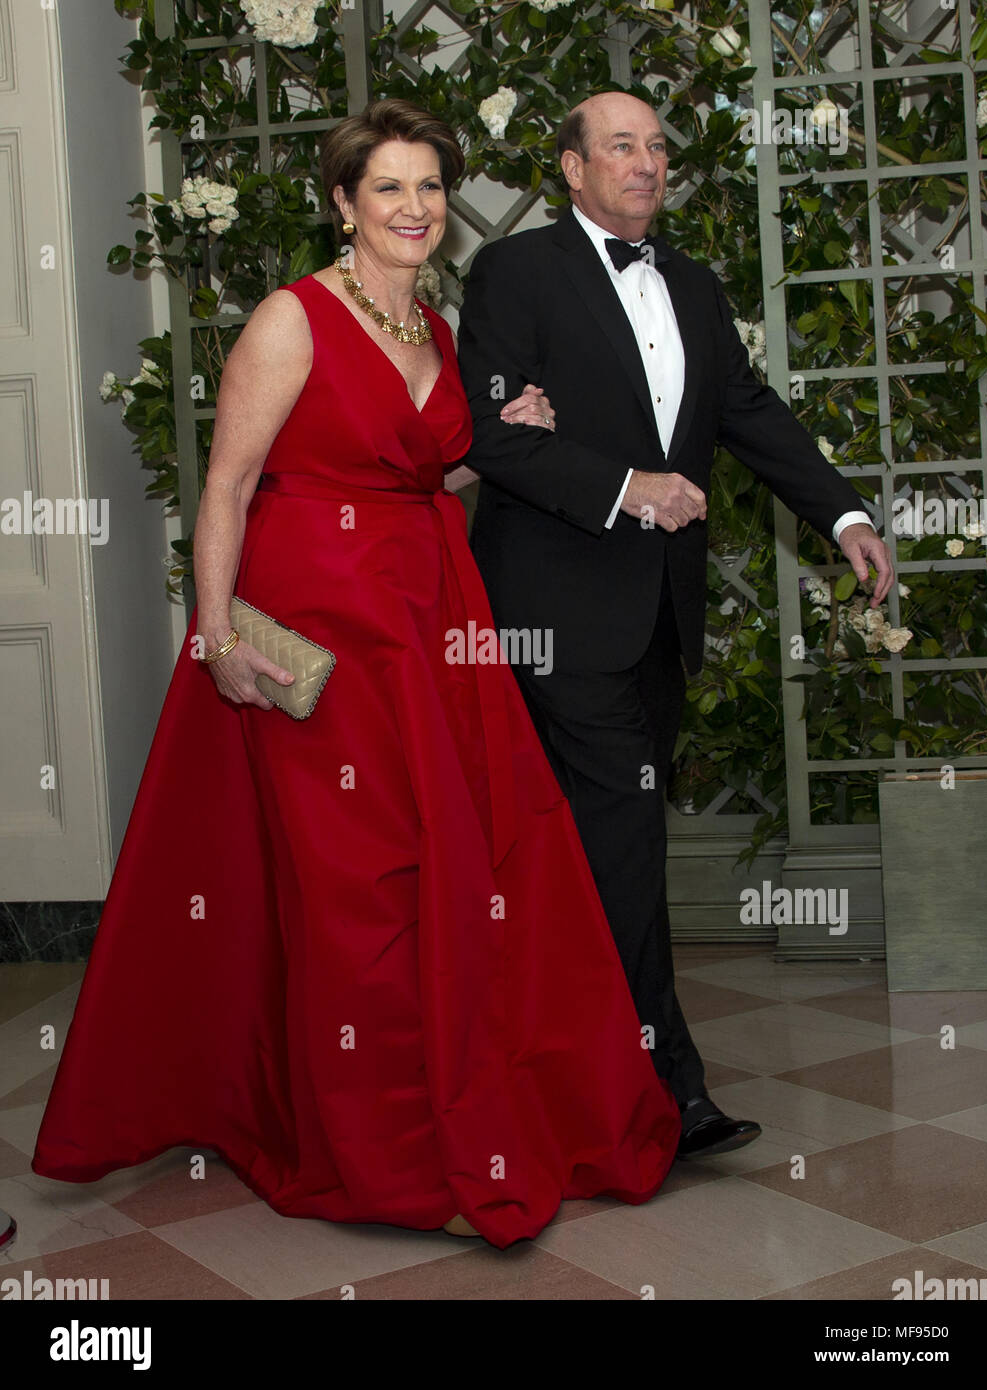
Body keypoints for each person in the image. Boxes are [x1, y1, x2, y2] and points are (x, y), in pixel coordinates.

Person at [31, 99, 681, 1250]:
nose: (415, 208)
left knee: (456, 875)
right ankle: (372, 1150)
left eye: (431, 187)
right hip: (321, 641)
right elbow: (227, 486)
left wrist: (497, 433)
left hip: (428, 632)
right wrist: (222, 636)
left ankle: (456, 1119)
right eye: (388, 187)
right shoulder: (293, 319)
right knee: (358, 894)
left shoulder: (432, 329)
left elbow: (406, 473)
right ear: (343, 204)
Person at [458, 91, 895, 1159]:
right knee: (624, 843)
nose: (646, 164)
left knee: (595, 851)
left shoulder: (692, 285)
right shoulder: (515, 274)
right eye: (621, 146)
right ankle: (667, 1088)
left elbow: (748, 413)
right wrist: (629, 487)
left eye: (657, 147)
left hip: (658, 619)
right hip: (553, 615)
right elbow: (492, 436)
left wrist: (842, 514)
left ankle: (564, 1076)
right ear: (570, 167)